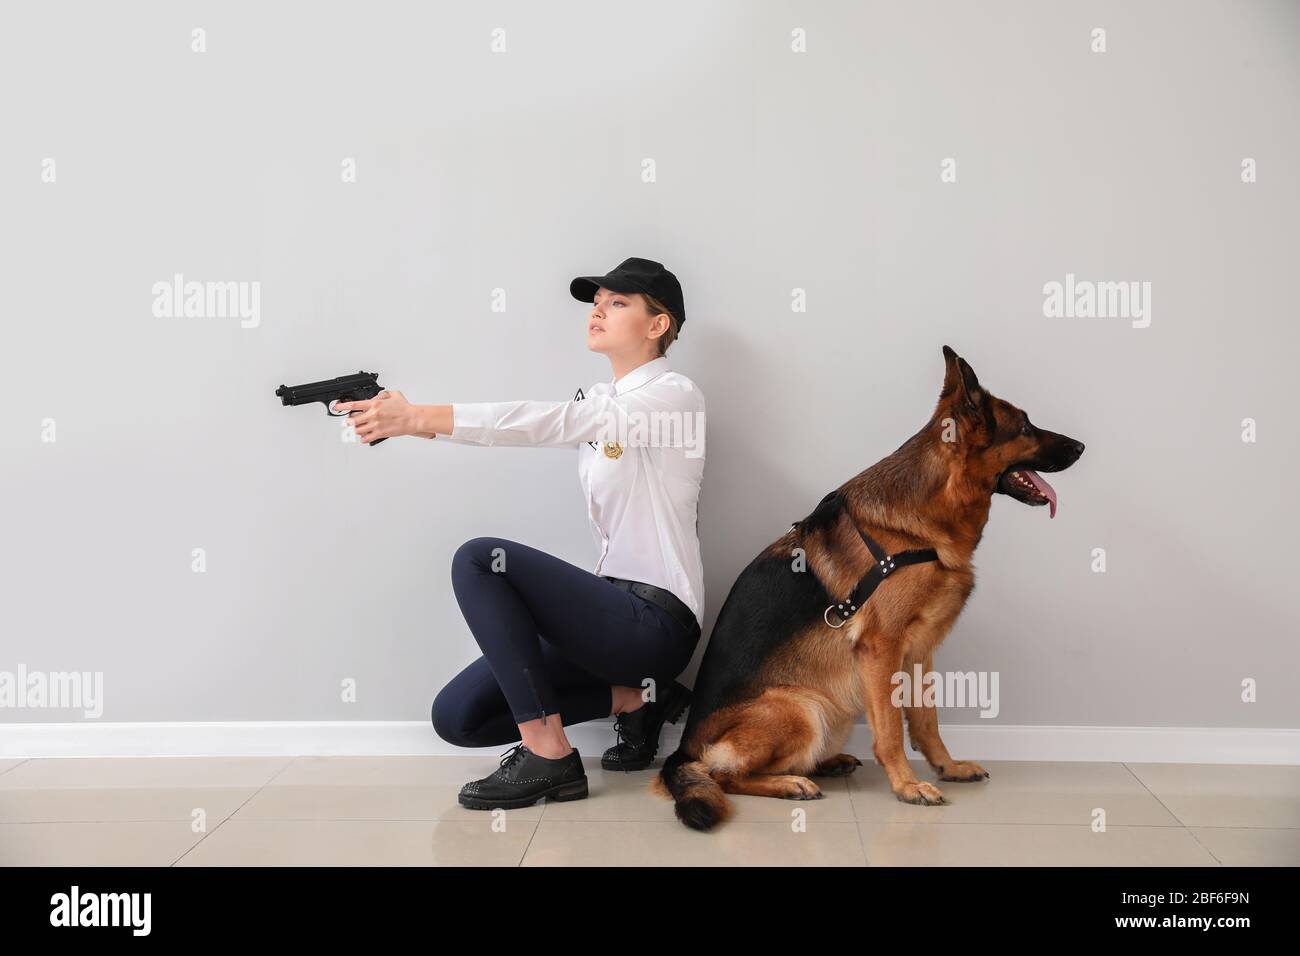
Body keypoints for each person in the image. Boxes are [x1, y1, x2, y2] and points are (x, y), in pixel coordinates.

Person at [336, 257, 706, 809]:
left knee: (480, 560)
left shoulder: (675, 396)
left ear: (658, 326)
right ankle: (637, 700)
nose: (598, 312)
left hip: (655, 622)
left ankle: (550, 757)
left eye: (619, 303)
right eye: (597, 302)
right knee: (458, 718)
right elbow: (563, 420)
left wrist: (419, 419)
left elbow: (548, 421)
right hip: (607, 616)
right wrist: (411, 423)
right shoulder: (601, 403)